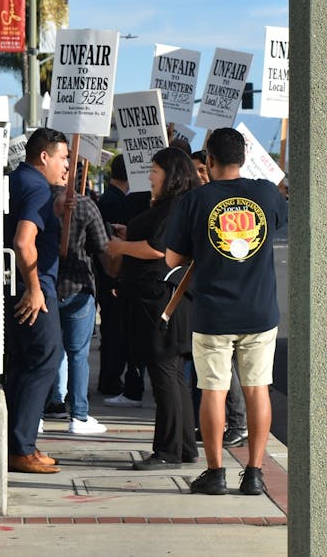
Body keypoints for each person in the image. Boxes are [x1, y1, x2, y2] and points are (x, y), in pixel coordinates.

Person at [164, 128, 288, 495]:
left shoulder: (195, 200)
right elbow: (278, 223)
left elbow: (172, 258)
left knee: (214, 391)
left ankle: (216, 472)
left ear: (210, 160)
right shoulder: (266, 193)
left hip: (212, 313)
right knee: (257, 390)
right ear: (244, 157)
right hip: (260, 312)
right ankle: (254, 473)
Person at [106, 147, 201, 469]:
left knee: (164, 378)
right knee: (173, 377)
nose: (150, 176)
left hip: (160, 302)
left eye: (155, 171)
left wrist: (120, 246)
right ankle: (184, 445)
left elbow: (157, 250)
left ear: (171, 175)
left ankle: (167, 451)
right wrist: (129, 234)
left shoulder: (174, 206)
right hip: (164, 301)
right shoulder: (176, 204)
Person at [4, 127, 70, 474]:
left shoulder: (20, 180)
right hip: (34, 290)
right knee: (45, 359)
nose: (66, 166)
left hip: (17, 286)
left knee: (23, 363)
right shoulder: (36, 187)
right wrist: (34, 288)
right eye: (62, 158)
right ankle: (21, 448)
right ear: (44, 156)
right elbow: (24, 241)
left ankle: (18, 442)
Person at [187, 148, 248, 448]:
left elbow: (173, 255)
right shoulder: (196, 202)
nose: (200, 175)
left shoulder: (217, 202)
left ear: (211, 165)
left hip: (225, 307)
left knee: (223, 377)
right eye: (194, 171)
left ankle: (236, 427)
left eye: (202, 169)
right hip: (208, 301)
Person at [46, 183, 112, 435]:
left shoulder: (38, 199)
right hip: (77, 285)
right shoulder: (84, 204)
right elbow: (102, 245)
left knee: (44, 353)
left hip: (46, 285)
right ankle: (79, 415)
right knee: (78, 355)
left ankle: (42, 410)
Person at [96, 155, 150, 405]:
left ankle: (111, 377)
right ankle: (110, 379)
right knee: (115, 333)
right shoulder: (114, 202)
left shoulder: (113, 198)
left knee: (114, 332)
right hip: (114, 275)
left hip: (115, 275)